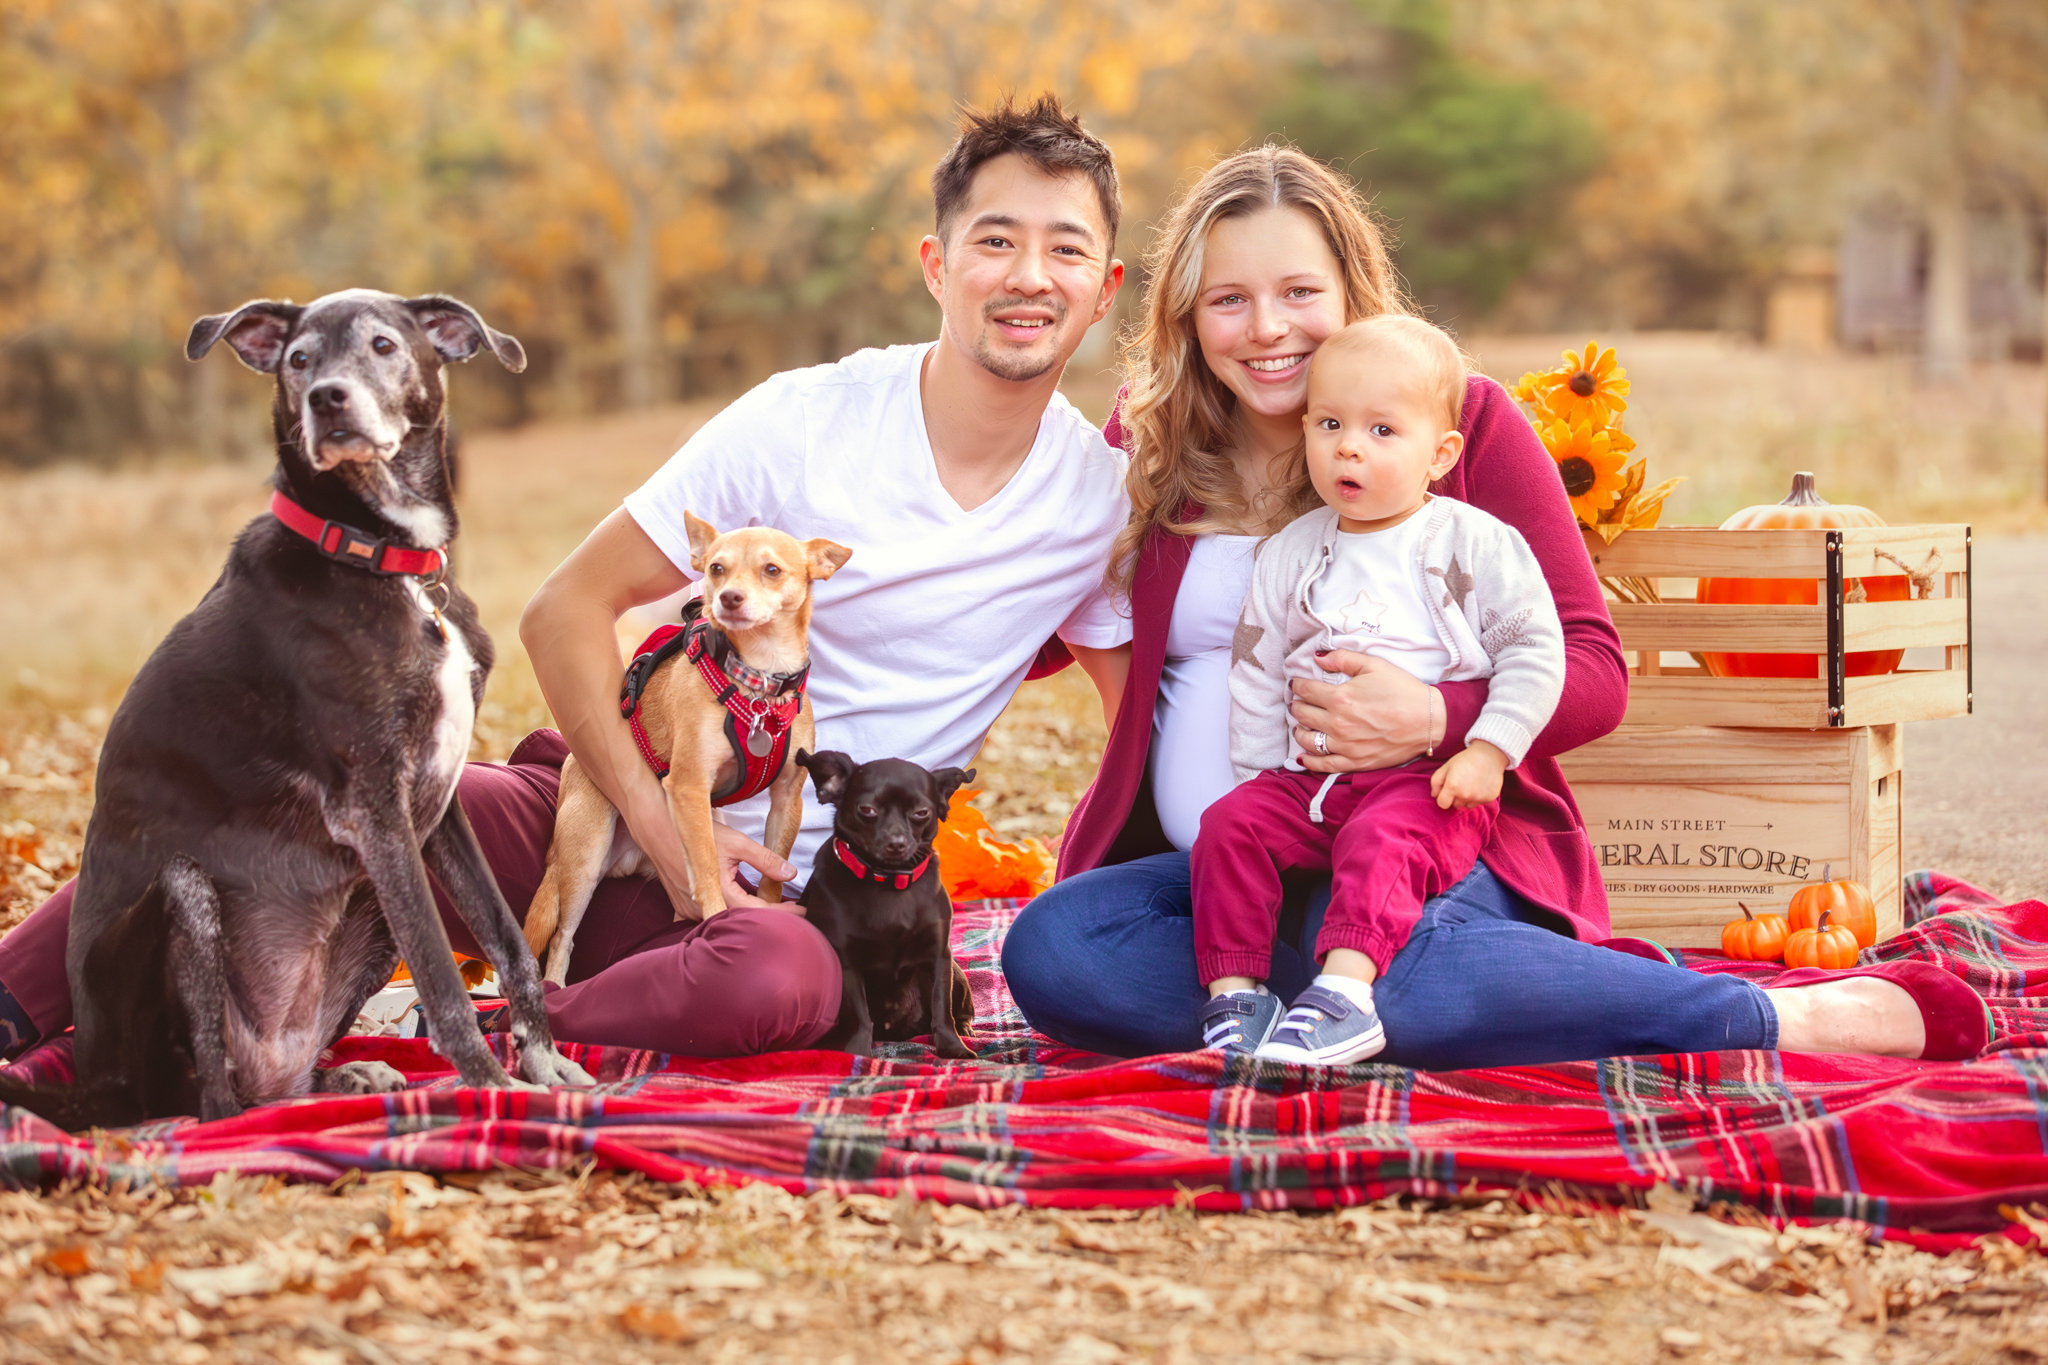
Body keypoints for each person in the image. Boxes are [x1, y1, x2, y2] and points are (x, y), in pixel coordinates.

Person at [0, 94, 1134, 1064]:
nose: (1028, 276)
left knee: (787, 983)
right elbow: (564, 612)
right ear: (936, 263)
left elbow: (1134, 725)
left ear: (1104, 286)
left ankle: (502, 1027)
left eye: (1065, 250)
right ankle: (27, 1009)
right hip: (601, 815)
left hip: (802, 899)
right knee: (277, 788)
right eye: (995, 240)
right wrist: (669, 835)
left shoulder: (1091, 504)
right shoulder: (803, 419)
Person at [1001, 145, 1983, 1069]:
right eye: (1228, 299)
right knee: (1052, 951)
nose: (1267, 328)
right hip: (1227, 861)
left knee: (1413, 973)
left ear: (1350, 295)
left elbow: (1593, 671)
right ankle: (1346, 1002)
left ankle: (1777, 1015)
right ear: (1185, 314)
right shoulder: (1156, 438)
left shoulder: (1457, 424)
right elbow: (1039, 606)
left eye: (1299, 292)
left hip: (1422, 837)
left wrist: (1437, 718)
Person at [1194, 315, 1565, 1066]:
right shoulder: (1294, 550)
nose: (1349, 446)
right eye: (1329, 423)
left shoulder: (1471, 542)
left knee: (1383, 839)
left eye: (1382, 430)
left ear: (1442, 453)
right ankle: (1237, 994)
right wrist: (1266, 772)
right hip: (1311, 782)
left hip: (1425, 784)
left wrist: (1487, 749)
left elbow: (1536, 649)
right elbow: (1260, 667)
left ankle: (1347, 994)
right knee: (1229, 826)